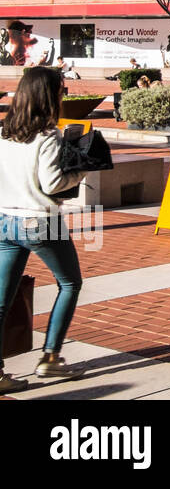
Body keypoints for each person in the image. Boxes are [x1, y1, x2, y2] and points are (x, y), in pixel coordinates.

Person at [0, 67, 88, 392]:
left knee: (1, 299)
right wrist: (79, 171)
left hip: (5, 220)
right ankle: (50, 358)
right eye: (61, 90)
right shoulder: (48, 137)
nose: (63, 95)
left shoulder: (3, 133)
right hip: (40, 221)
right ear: (47, 96)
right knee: (69, 283)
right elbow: (53, 182)